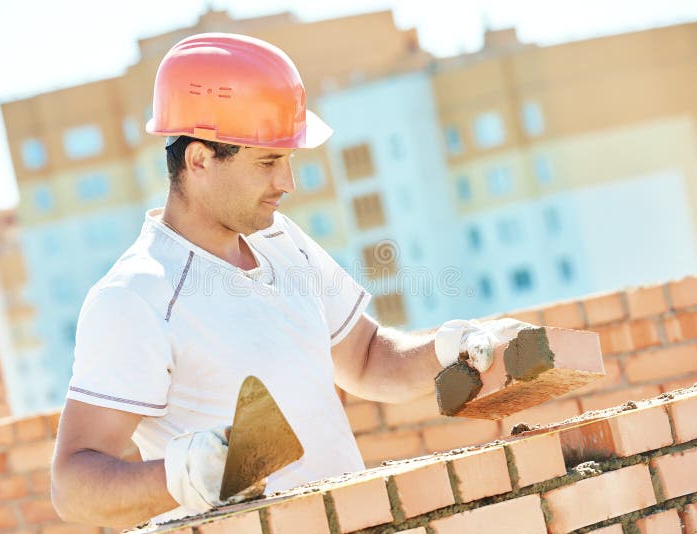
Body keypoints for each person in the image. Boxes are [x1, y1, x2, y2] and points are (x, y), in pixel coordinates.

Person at [50, 33, 531, 529]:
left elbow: (367, 359)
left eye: (287, 159)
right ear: (198, 160)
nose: (287, 182)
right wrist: (185, 476)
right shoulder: (137, 297)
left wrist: (454, 347)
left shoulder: (281, 240)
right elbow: (73, 486)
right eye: (267, 162)